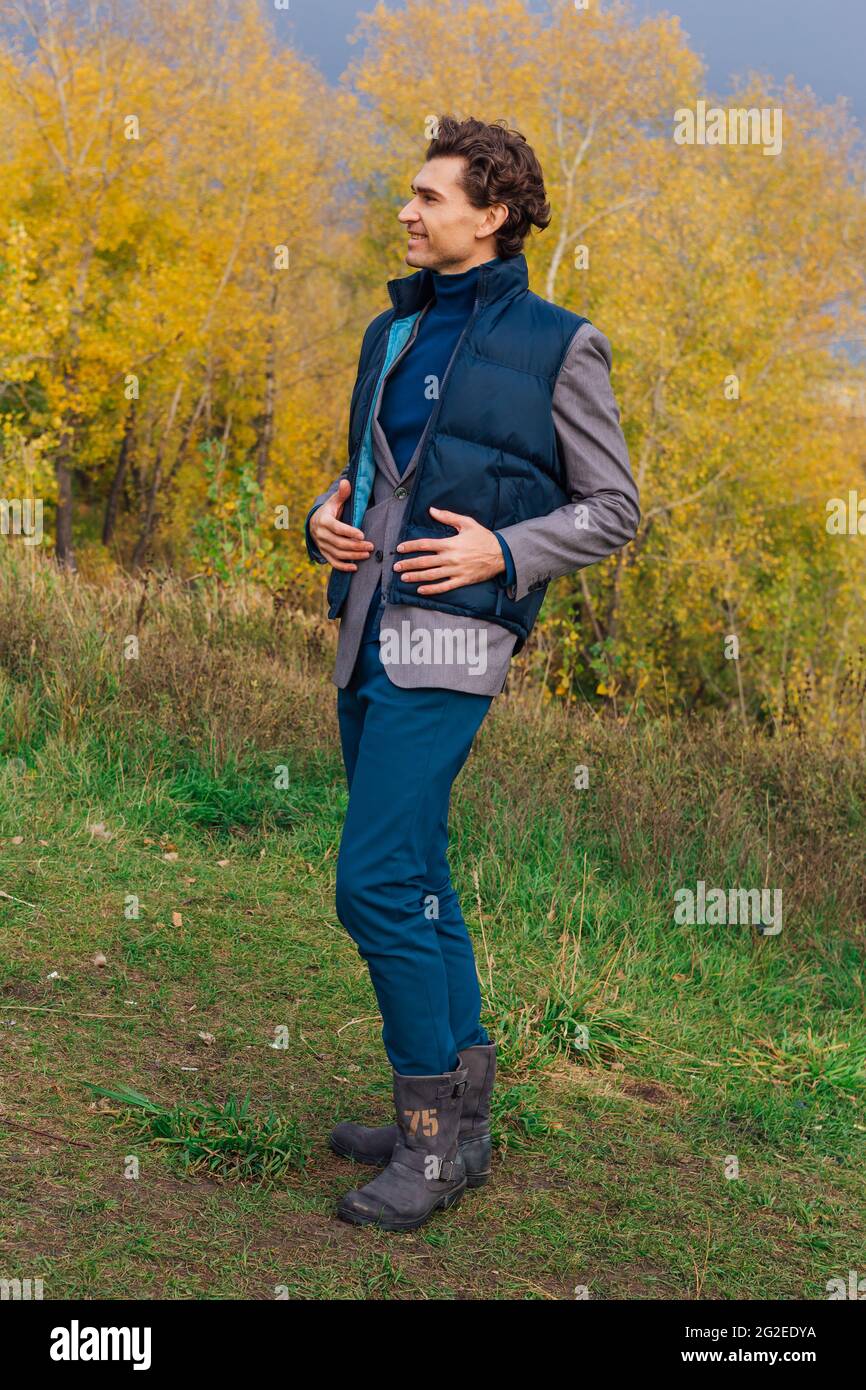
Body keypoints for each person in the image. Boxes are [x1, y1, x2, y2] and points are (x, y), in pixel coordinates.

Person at [304, 115, 640, 1232]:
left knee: (373, 881)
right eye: (409, 193)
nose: (406, 210)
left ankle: (428, 1145)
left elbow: (611, 510)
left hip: (454, 638)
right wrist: (323, 519)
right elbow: (365, 474)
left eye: (428, 196)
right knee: (419, 869)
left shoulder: (559, 343)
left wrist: (501, 549)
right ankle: (464, 1113)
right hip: (364, 623)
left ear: (489, 215)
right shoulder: (386, 334)